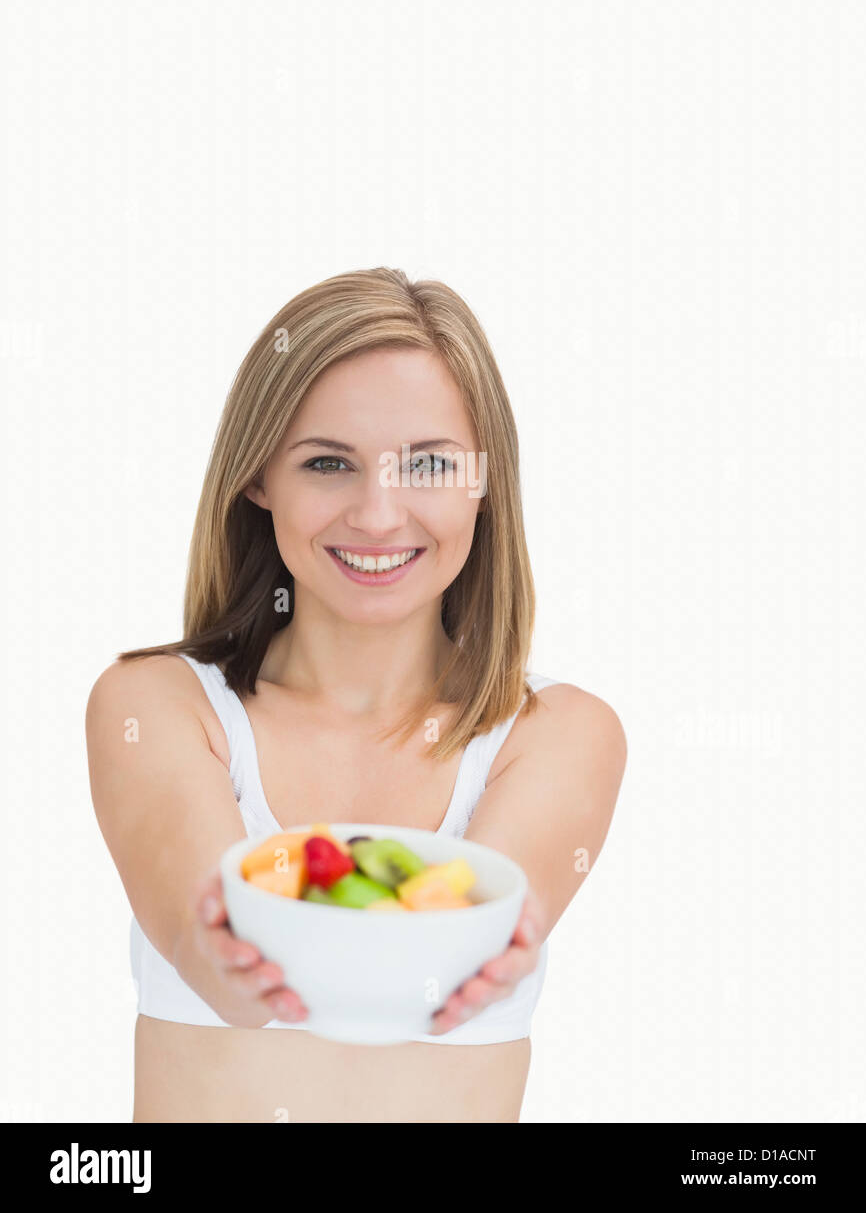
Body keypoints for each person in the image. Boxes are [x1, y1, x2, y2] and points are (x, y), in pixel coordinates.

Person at [86, 266, 627, 1123]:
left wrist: (489, 943)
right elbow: (212, 959)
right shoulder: (157, 706)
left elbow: (467, 933)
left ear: (485, 483)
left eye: (429, 464)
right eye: (329, 462)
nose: (379, 515)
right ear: (259, 477)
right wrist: (226, 953)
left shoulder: (558, 732)